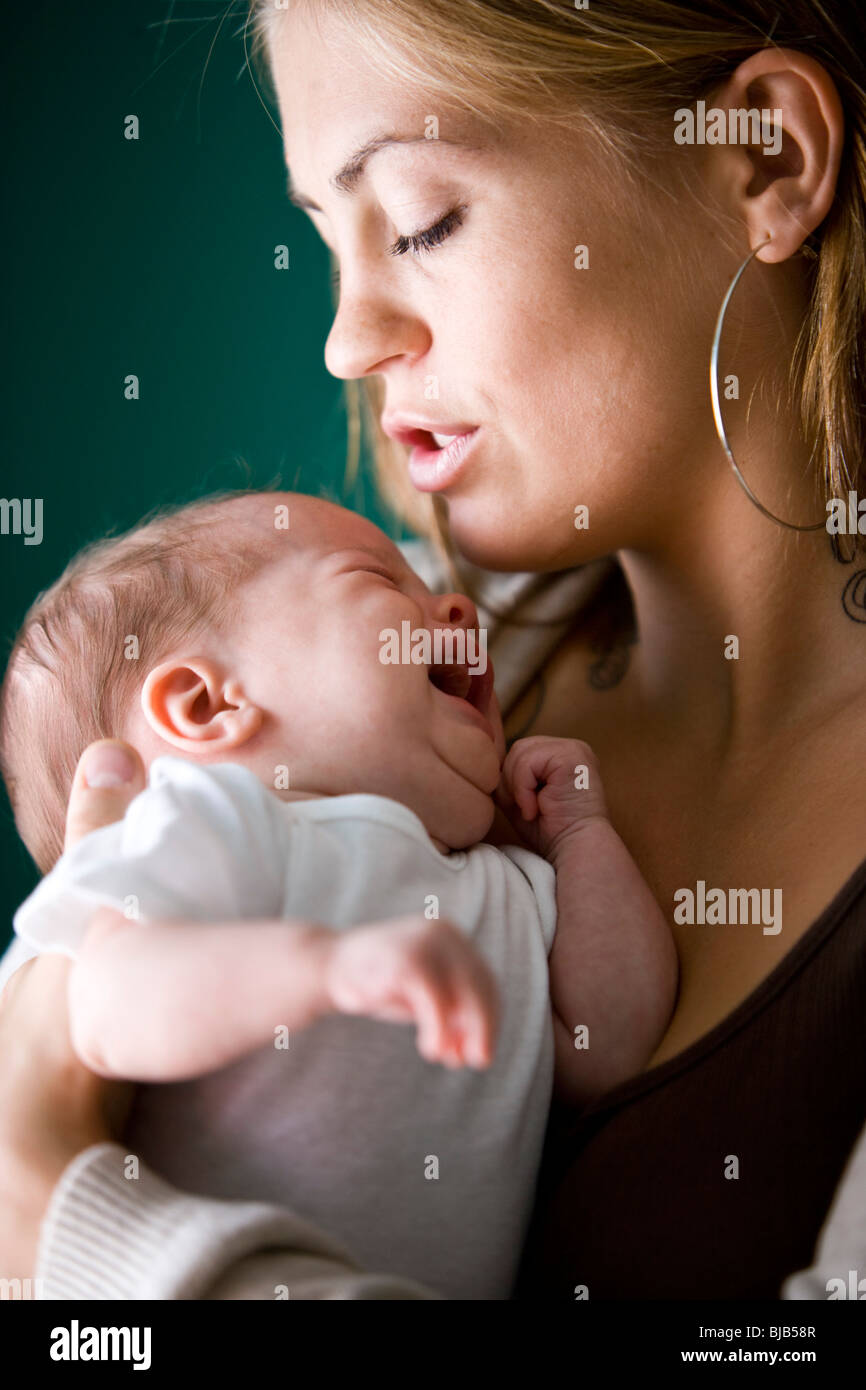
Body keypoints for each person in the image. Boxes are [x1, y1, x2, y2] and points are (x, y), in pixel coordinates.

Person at [2, 0, 866, 1299]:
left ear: (760, 158)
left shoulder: (476, 775)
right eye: (325, 241)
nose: (345, 340)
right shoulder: (411, 721)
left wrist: (46, 1211)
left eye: (418, 220)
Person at [1, 489, 676, 1300]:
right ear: (208, 706)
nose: (456, 606)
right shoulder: (216, 822)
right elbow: (106, 1006)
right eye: (386, 585)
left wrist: (580, 838)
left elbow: (604, 1046)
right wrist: (322, 968)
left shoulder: (498, 875)